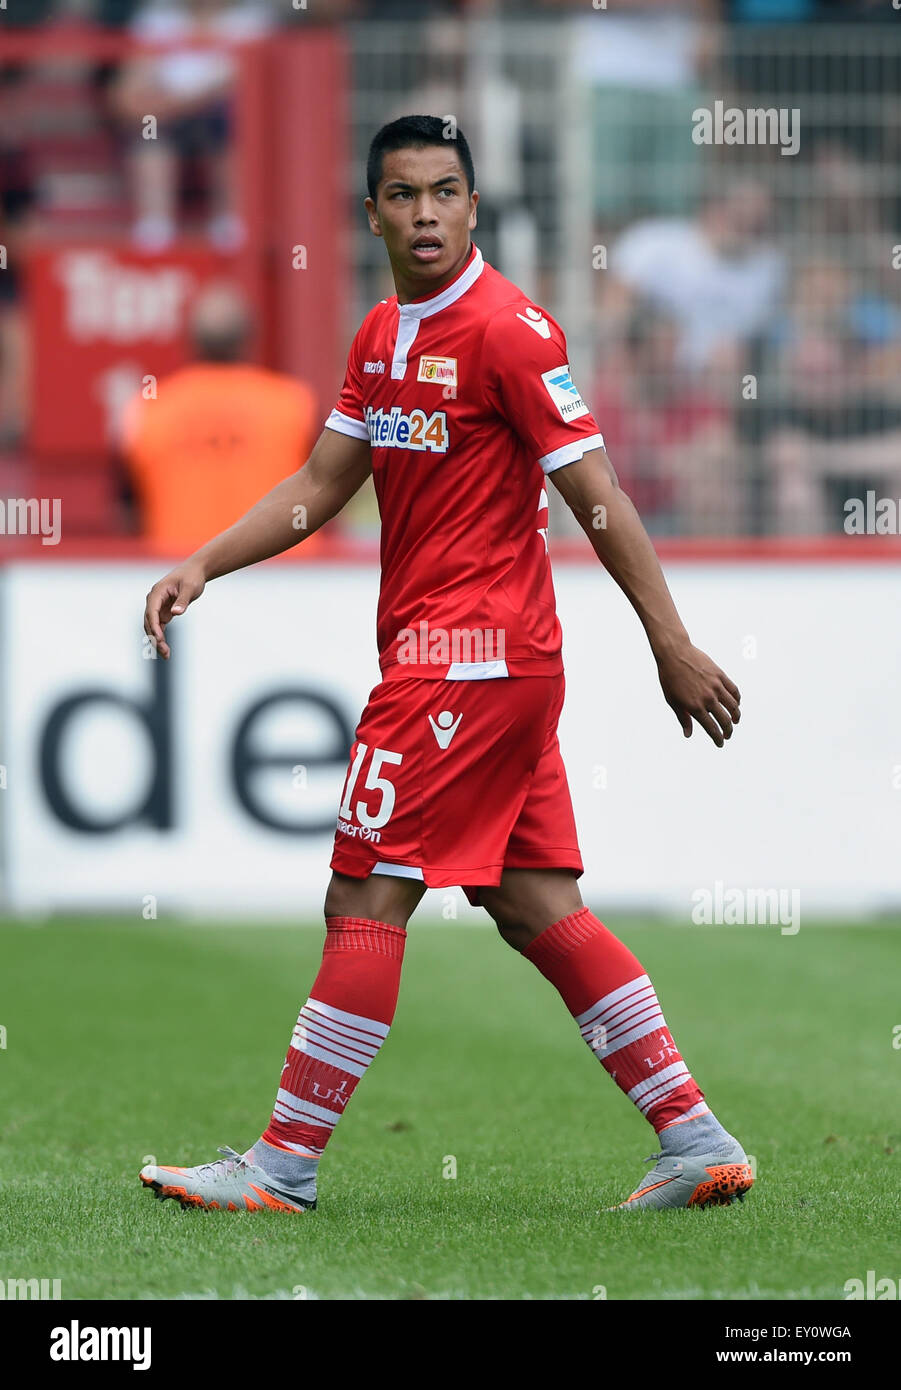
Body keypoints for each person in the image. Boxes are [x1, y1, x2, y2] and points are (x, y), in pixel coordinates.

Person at [140, 115, 752, 1214]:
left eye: (444, 192)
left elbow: (597, 495)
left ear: (473, 206)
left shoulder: (510, 331)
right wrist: (205, 562)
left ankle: (280, 1165)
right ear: (371, 211)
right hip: (472, 665)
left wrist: (669, 638)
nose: (424, 212)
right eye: (403, 194)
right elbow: (320, 488)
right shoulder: (379, 333)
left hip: (467, 660)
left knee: (363, 892)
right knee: (532, 903)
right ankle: (693, 1137)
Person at [122, 282, 318, 553]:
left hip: (184, 578)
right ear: (249, 339)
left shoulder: (148, 410)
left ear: (191, 342)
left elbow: (127, 508)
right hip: (281, 577)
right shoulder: (294, 404)